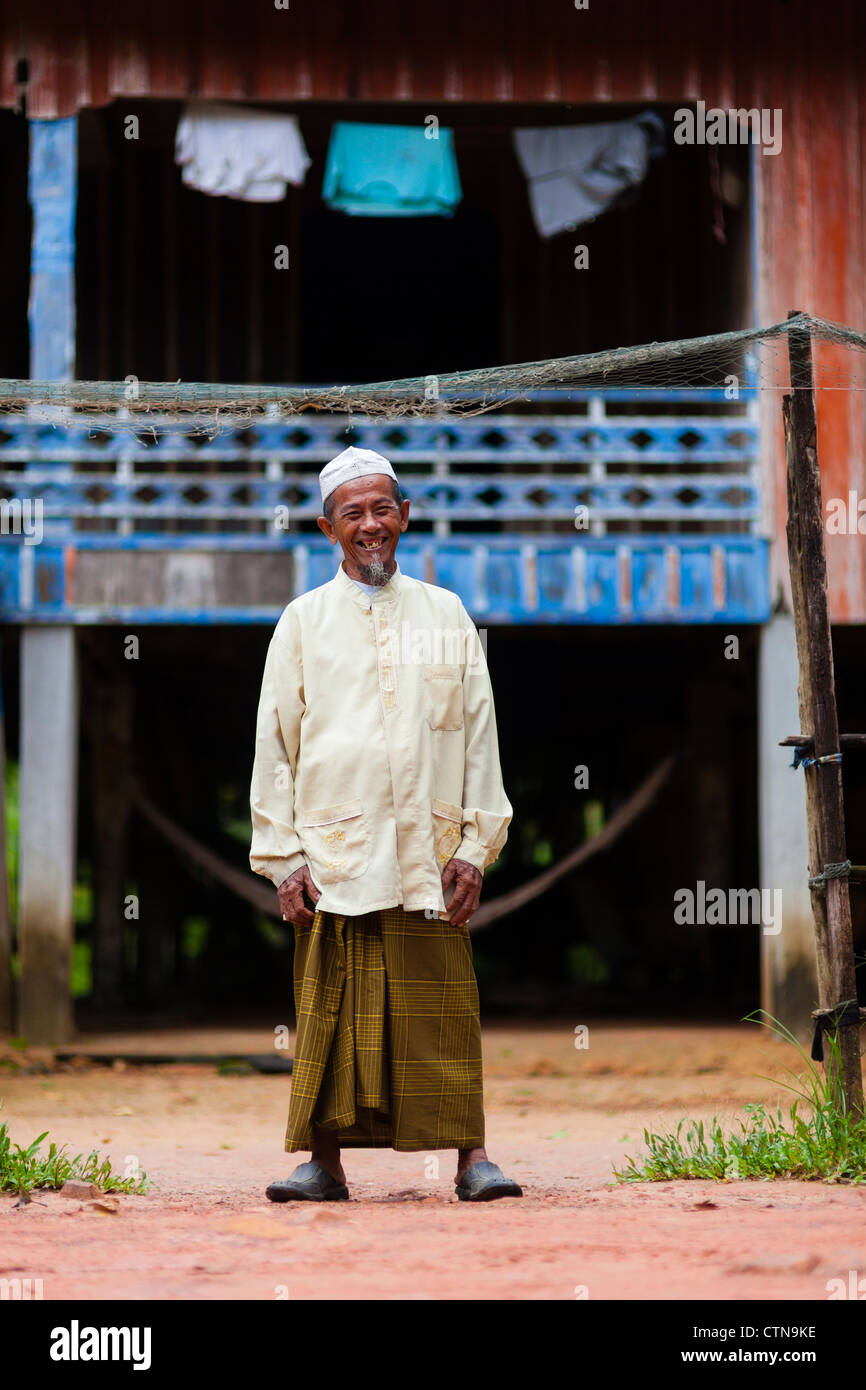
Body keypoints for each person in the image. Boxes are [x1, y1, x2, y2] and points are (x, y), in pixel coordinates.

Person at [249, 445, 522, 1202]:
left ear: (405, 515)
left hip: (428, 854)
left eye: (382, 509)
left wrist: (476, 847)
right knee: (330, 1013)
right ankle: (324, 1165)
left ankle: (473, 1162)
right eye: (353, 514)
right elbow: (276, 744)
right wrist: (282, 859)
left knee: (444, 1010)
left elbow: (477, 735)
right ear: (327, 527)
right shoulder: (302, 622)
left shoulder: (446, 614)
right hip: (334, 854)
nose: (370, 525)